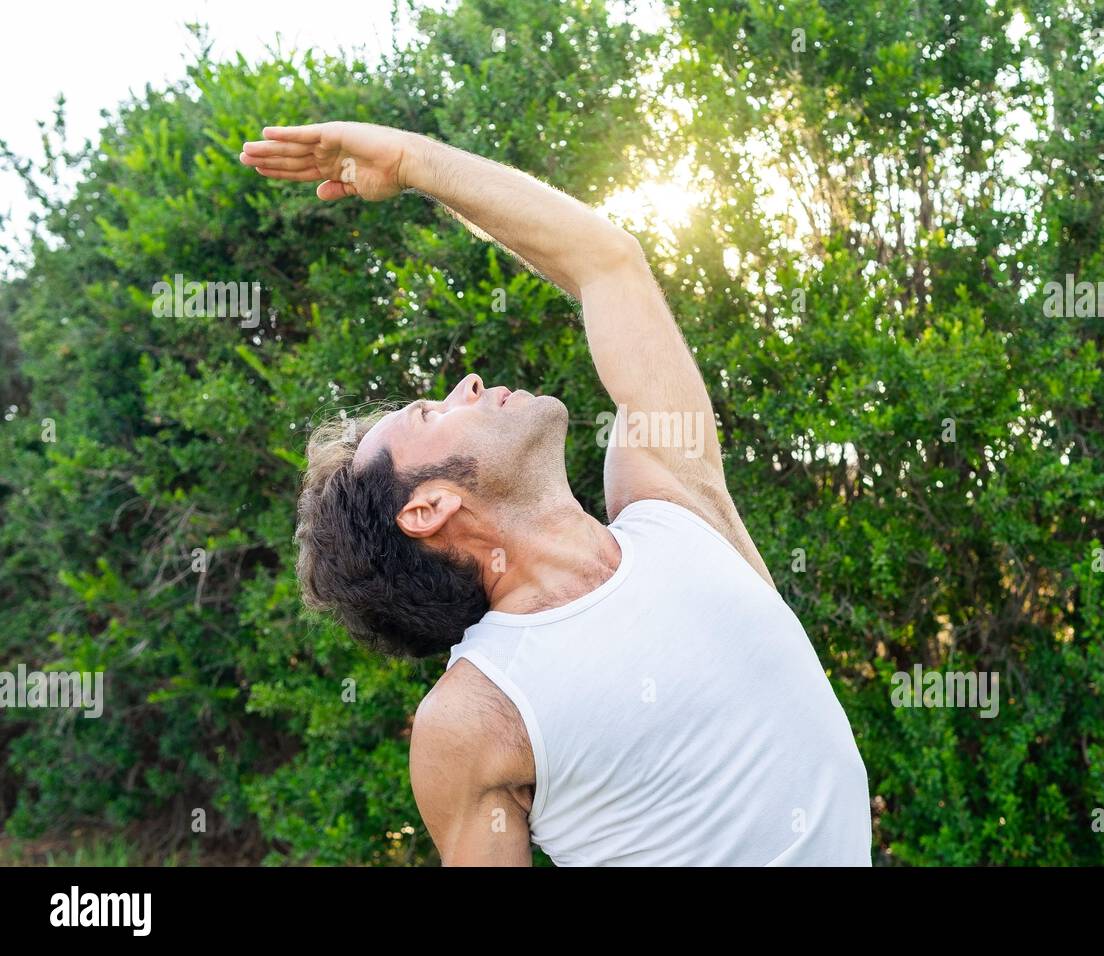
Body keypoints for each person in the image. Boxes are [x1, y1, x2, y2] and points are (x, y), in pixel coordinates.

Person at [241, 122, 872, 866]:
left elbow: (607, 262)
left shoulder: (675, 497)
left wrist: (414, 162)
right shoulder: (475, 715)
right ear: (426, 509)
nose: (467, 384)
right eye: (430, 414)